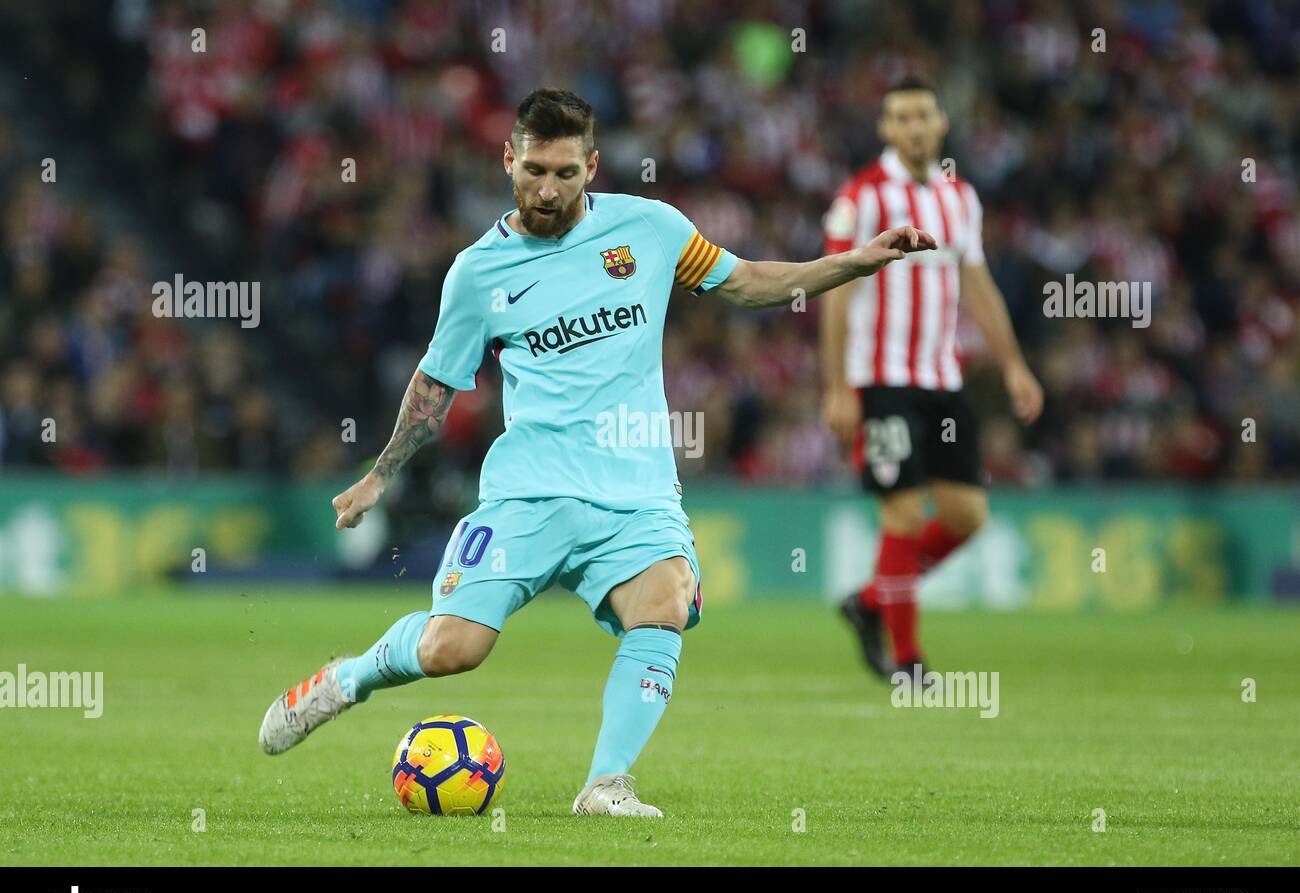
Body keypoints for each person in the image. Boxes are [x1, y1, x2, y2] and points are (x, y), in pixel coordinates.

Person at [259, 87, 935, 816]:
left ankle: (606, 784)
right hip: (531, 492)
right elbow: (435, 385)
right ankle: (346, 680)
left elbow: (746, 282)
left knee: (666, 601)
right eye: (534, 171)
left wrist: (854, 263)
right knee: (452, 650)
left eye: (565, 174)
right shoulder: (478, 272)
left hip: (637, 490)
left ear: (593, 167)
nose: (546, 190)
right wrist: (378, 476)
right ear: (508, 159)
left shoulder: (650, 229)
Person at [820, 76, 1043, 683]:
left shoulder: (960, 197)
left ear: (940, 122)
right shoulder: (861, 196)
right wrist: (838, 387)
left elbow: (978, 284)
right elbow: (836, 293)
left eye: (923, 115)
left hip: (943, 381)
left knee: (968, 516)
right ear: (886, 129)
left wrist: (1016, 364)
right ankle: (910, 662)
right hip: (881, 379)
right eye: (902, 118)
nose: (915, 127)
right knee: (904, 517)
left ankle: (869, 602)